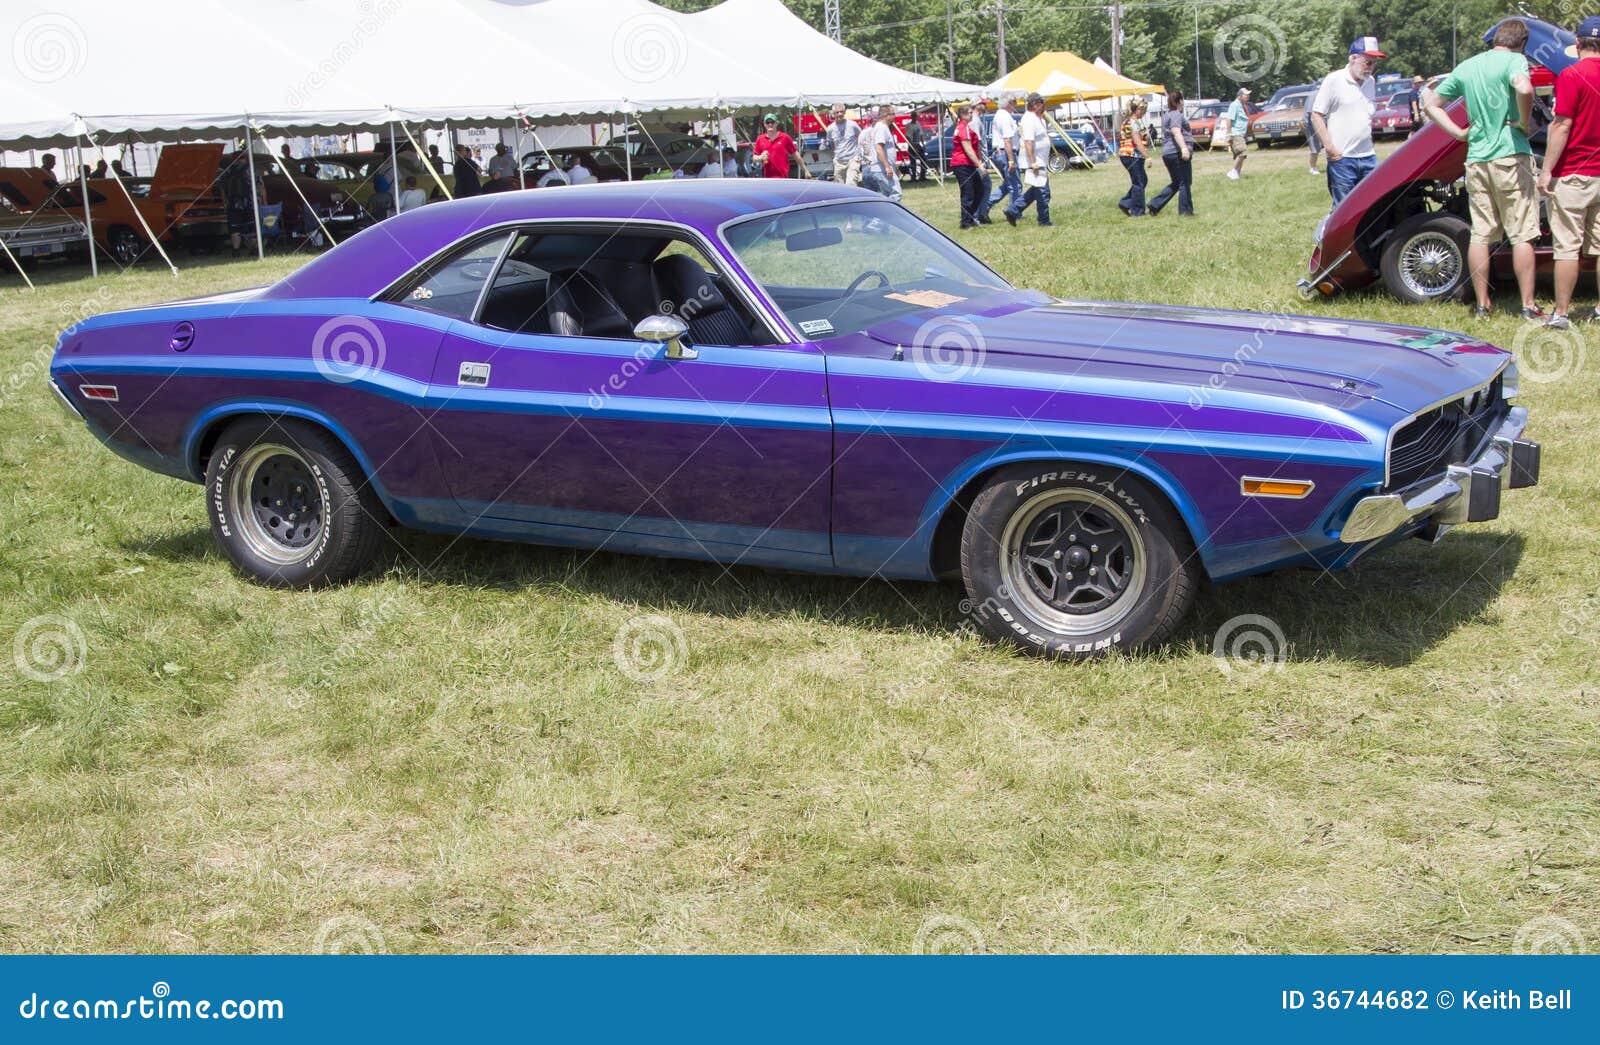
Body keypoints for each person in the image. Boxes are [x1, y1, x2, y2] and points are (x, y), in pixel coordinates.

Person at [1423, 20, 1539, 320]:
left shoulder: (1467, 66)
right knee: (1522, 233)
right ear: (1522, 43)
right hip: (1511, 155)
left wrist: (1459, 133)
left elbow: (1431, 103)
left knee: (1481, 234)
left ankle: (1482, 304)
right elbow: (1524, 88)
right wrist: (1524, 123)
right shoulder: (1516, 61)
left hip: (1477, 158)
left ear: (1496, 40)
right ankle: (1527, 305)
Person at [1537, 16, 1600, 327]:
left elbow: (1561, 126)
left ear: (1578, 44)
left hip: (1574, 173)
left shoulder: (1571, 75)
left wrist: (1546, 170)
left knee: (1567, 248)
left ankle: (1561, 313)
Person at [1310, 37, 1384, 206]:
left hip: (1368, 157)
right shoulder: (1334, 80)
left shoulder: (1370, 82)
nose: (1371, 68)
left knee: (1374, 205)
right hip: (1343, 159)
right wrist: (1331, 149)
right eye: (1368, 62)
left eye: (1374, 63)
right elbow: (1316, 114)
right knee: (1344, 209)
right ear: (1353, 59)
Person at [1004, 92, 1053, 226]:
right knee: (1043, 192)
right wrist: (1033, 163)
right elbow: (1028, 142)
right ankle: (1044, 220)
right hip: (1035, 161)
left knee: (1037, 191)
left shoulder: (1036, 118)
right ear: (1036, 105)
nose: (1044, 107)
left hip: (1039, 160)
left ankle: (1013, 210)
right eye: (1042, 104)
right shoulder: (1029, 119)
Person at [1149, 88, 1195, 216]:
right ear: (1179, 101)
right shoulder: (1176, 114)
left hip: (1167, 152)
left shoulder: (1167, 115)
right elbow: (1176, 131)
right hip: (1176, 152)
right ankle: (1186, 212)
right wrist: (1184, 148)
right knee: (1184, 182)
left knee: (1177, 182)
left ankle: (1155, 204)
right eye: (1182, 100)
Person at [951, 104, 985, 228]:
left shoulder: (964, 126)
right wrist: (979, 164)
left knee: (979, 190)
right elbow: (968, 148)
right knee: (968, 193)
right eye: (970, 113)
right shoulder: (963, 127)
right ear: (963, 115)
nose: (972, 115)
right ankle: (965, 222)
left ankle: (969, 218)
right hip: (962, 163)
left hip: (966, 163)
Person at [988, 93, 1022, 213]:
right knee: (1015, 185)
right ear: (1009, 103)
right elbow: (1007, 140)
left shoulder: (1003, 115)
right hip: (1006, 153)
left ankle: (985, 205)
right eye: (1014, 103)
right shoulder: (1004, 117)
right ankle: (1014, 211)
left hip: (1002, 153)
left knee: (1008, 185)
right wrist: (1011, 160)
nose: (1015, 106)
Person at [1117, 99, 1149, 216]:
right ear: (1138, 109)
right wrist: (1147, 156)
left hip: (1126, 154)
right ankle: (1138, 211)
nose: (1144, 113)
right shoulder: (1134, 122)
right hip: (1132, 155)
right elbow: (1137, 140)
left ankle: (1126, 202)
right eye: (1143, 110)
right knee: (1139, 182)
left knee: (1142, 180)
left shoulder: (1127, 121)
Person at [862, 107, 901, 202]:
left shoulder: (882, 127)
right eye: (893, 114)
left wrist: (893, 167)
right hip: (882, 169)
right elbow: (879, 148)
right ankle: (890, 216)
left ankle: (881, 216)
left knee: (886, 196)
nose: (894, 116)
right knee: (895, 194)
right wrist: (887, 167)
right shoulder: (881, 128)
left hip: (882, 168)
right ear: (886, 115)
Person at [753, 114, 808, 179]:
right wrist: (760, 157)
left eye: (772, 122)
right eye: (767, 122)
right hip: (767, 178)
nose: (770, 124)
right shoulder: (760, 139)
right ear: (764, 124)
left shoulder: (785, 137)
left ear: (776, 123)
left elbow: (796, 154)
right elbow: (754, 158)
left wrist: (806, 171)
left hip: (783, 178)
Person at [825, 103, 862, 186]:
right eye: (837, 112)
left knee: (851, 184)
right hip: (839, 161)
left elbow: (861, 137)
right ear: (833, 114)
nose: (840, 114)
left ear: (845, 112)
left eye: (841, 112)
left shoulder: (852, 125)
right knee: (839, 186)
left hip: (852, 159)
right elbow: (832, 144)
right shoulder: (830, 128)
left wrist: (859, 155)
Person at [1224, 88, 1252, 179]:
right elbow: (1229, 119)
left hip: (1241, 134)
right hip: (1236, 133)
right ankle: (1232, 171)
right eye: (1246, 94)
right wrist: (1229, 134)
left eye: (1248, 94)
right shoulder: (1234, 105)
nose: (1248, 96)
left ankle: (1236, 175)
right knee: (1242, 152)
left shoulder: (1242, 105)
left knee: (1240, 155)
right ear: (1240, 96)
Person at [905, 111, 930, 182]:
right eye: (914, 116)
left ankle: (923, 176)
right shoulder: (909, 126)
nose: (916, 118)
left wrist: (923, 144)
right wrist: (913, 146)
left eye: (916, 116)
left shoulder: (918, 124)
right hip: (912, 145)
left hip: (918, 144)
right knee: (913, 162)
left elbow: (921, 134)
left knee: (924, 159)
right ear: (912, 117)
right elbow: (908, 137)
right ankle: (913, 178)